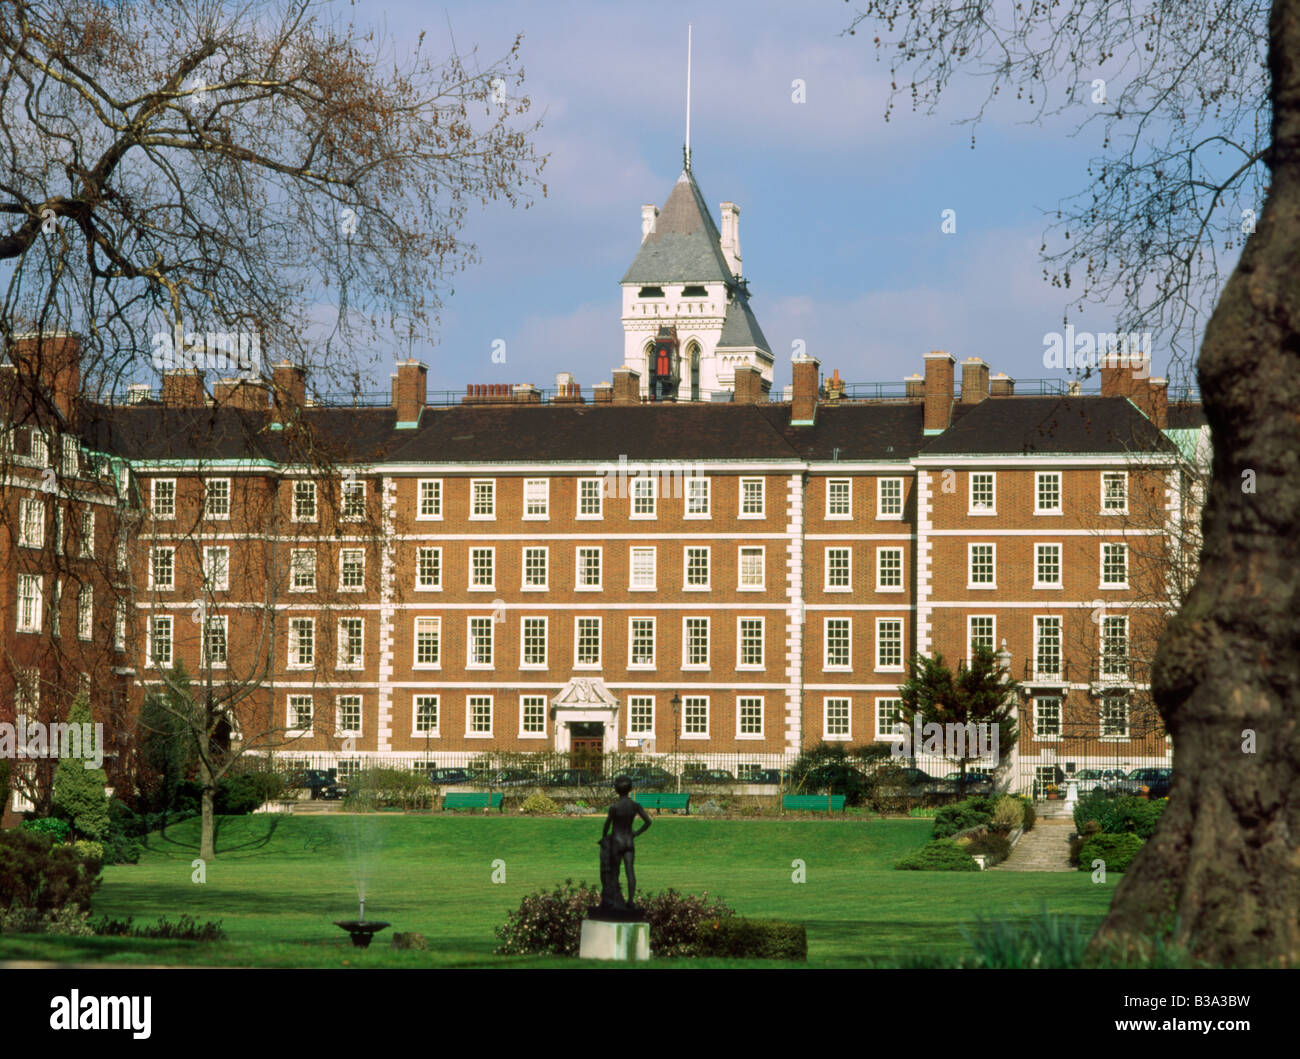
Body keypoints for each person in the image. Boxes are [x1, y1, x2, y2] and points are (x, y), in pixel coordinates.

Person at [599, 774, 652, 908]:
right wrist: (635, 833)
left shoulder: (614, 807)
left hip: (617, 841)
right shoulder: (635, 805)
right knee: (630, 871)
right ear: (630, 789)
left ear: (616, 790)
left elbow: (607, 825)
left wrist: (604, 837)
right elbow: (648, 822)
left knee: (614, 871)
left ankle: (615, 900)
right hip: (629, 841)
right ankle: (630, 901)